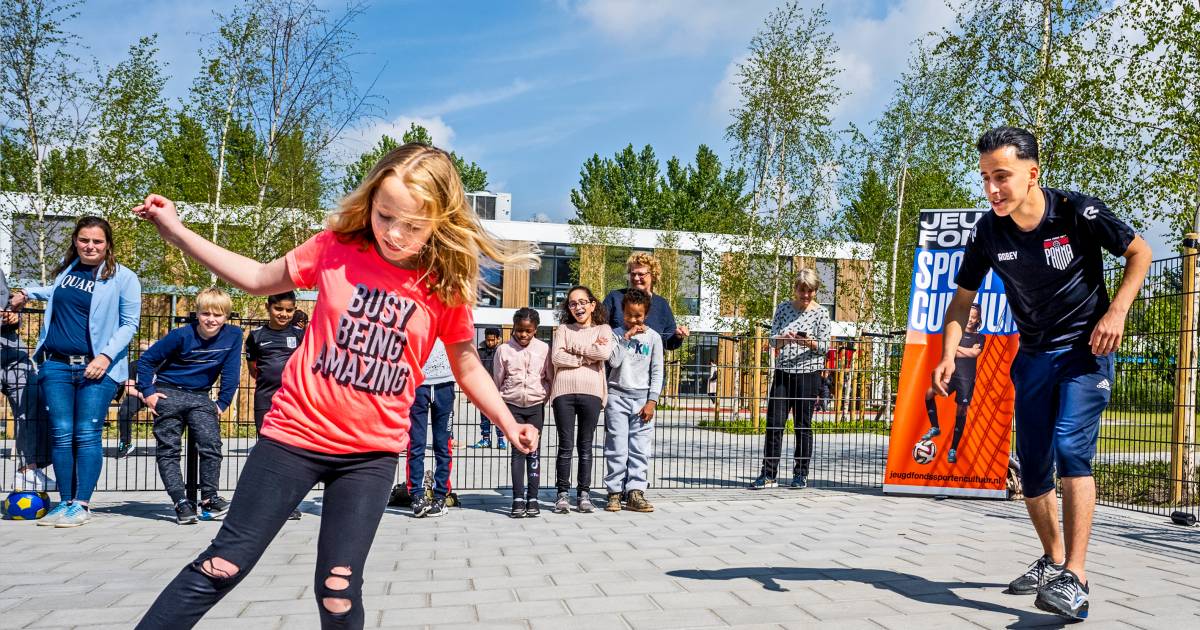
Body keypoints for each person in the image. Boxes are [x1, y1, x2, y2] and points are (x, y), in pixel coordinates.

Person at [131, 143, 538, 629]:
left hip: (370, 456)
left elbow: (468, 364)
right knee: (225, 564)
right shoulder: (337, 248)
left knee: (339, 588)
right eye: (385, 216)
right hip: (293, 438)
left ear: (439, 222)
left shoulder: (443, 285)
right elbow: (259, 278)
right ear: (371, 202)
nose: (394, 233)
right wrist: (175, 231)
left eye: (413, 226)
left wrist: (508, 422)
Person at [935, 126, 1150, 621]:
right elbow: (961, 300)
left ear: (1033, 174)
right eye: (986, 178)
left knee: (1071, 447)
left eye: (1002, 177)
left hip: (1084, 352)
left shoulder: (1077, 211)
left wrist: (1116, 312)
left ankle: (1076, 578)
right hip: (1032, 357)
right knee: (1032, 467)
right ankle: (1053, 561)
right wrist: (948, 354)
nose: (992, 189)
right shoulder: (989, 232)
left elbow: (1138, 252)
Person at [10, 216, 142, 528]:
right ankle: (65, 501)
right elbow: (53, 292)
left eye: (97, 241)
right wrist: (27, 293)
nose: (90, 246)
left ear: (107, 243)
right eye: (84, 240)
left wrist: (105, 357)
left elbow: (129, 324)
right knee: (61, 432)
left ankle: (82, 504)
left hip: (97, 367)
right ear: (75, 240)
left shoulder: (123, 278)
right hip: (55, 364)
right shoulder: (67, 271)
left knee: (86, 432)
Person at [138, 287, 242, 525]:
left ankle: (209, 498)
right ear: (197, 313)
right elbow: (147, 360)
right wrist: (149, 393)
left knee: (211, 444)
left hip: (200, 396)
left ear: (226, 316)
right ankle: (180, 502)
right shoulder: (181, 335)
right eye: (206, 313)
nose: (211, 319)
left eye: (218, 315)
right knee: (169, 449)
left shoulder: (233, 335)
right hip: (169, 393)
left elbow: (232, 371)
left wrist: (223, 402)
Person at [749, 270, 831, 490]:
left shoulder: (822, 313)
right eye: (802, 290)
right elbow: (772, 341)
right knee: (774, 424)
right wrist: (784, 339)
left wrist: (808, 342)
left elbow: (825, 347)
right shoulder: (783, 308)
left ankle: (800, 474)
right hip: (784, 372)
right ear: (795, 289)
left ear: (815, 291)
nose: (805, 295)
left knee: (803, 426)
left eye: (810, 291)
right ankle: (768, 474)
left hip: (808, 374)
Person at [550, 285, 612, 514]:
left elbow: (603, 354)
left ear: (592, 304)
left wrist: (574, 348)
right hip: (563, 393)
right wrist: (584, 357)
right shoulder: (563, 329)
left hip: (592, 393)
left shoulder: (604, 329)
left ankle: (583, 495)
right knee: (565, 446)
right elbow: (556, 356)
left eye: (582, 302)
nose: (578, 307)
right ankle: (562, 494)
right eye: (573, 303)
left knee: (585, 446)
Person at [602, 289, 663, 513]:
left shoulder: (654, 338)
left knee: (639, 448)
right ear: (622, 312)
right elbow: (614, 362)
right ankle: (614, 492)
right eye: (629, 315)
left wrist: (652, 401)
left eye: (638, 316)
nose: (633, 320)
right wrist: (626, 339)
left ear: (645, 314)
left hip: (642, 400)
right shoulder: (615, 334)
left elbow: (657, 372)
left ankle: (635, 491)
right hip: (617, 397)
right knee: (616, 447)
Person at [493, 308, 551, 518]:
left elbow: (548, 377)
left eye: (528, 331)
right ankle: (518, 499)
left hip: (535, 406)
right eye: (519, 330)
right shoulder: (503, 350)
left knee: (533, 451)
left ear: (535, 329)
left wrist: (543, 395)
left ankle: (532, 498)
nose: (523, 335)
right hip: (512, 406)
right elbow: (497, 379)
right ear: (514, 328)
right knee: (518, 452)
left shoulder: (544, 349)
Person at [922, 304, 985, 464]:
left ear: (978, 319)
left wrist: (957, 349)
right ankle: (935, 427)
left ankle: (953, 449)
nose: (970, 319)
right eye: (968, 315)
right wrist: (964, 350)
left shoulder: (980, 337)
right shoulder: (956, 334)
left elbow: (974, 353)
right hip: (951, 377)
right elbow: (951, 351)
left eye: (974, 316)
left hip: (966, 381)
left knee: (961, 412)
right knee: (929, 392)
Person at [3, 270, 50, 480]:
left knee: (32, 407)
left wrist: (13, 317)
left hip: (12, 350)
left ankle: (28, 470)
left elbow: (10, 309)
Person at [405, 338, 456, 518]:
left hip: (445, 383)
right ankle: (417, 494)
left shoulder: (449, 312)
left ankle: (441, 494)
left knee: (443, 445)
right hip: (417, 383)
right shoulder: (415, 312)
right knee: (416, 443)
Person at [601, 252, 688, 351]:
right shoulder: (614, 298)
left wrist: (678, 336)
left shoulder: (662, 305)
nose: (636, 278)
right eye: (633, 274)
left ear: (653, 275)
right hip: (617, 363)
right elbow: (598, 326)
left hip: (649, 365)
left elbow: (668, 343)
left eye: (641, 274)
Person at [245, 291, 303, 433]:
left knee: (292, 442)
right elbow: (253, 369)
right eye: (278, 308)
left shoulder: (301, 335)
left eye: (289, 310)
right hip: (265, 398)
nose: (284, 314)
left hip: (293, 399)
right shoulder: (255, 336)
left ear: (294, 310)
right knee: (265, 438)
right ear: (267, 307)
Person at [468, 326, 506, 449]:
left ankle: (501, 440)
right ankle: (485, 439)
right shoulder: (480, 352)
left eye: (492, 340)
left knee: (499, 416)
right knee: (484, 416)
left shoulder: (502, 351)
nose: (489, 342)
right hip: (483, 389)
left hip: (498, 389)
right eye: (487, 339)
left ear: (498, 339)